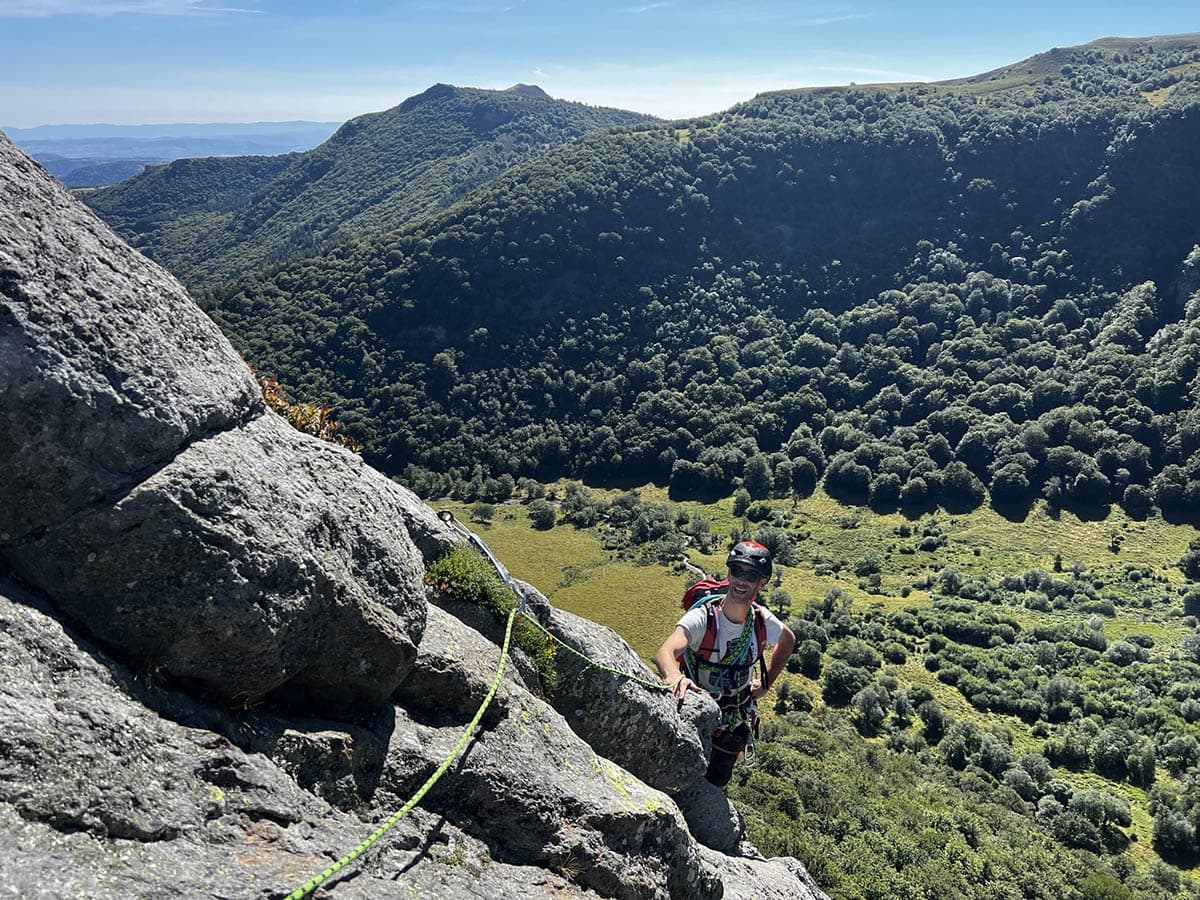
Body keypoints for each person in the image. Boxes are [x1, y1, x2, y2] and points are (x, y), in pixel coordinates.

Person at [655, 541, 796, 787]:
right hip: (697, 709)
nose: (742, 581)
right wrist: (674, 677)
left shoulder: (762, 620)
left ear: (761, 583)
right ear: (728, 573)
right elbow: (666, 650)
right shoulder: (704, 617)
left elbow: (788, 639)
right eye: (737, 571)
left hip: (735, 716)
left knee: (716, 779)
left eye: (750, 575)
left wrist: (766, 683)